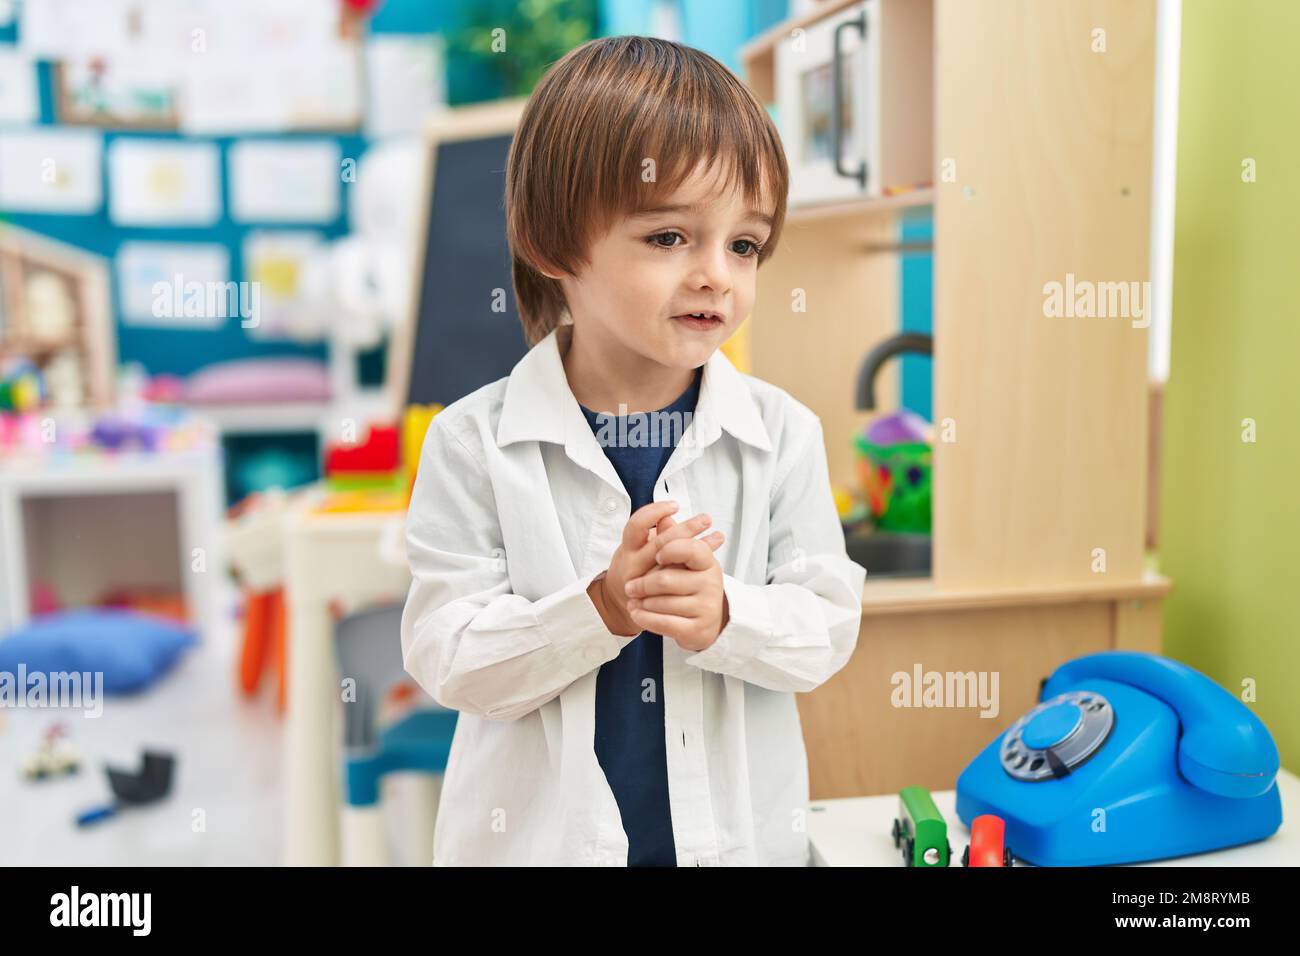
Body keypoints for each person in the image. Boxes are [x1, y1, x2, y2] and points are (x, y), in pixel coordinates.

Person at [400, 35, 866, 866]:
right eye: (668, 238)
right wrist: (598, 611)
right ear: (552, 243)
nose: (716, 275)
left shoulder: (782, 431)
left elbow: (826, 624)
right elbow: (451, 656)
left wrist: (727, 614)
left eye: (744, 245)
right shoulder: (472, 441)